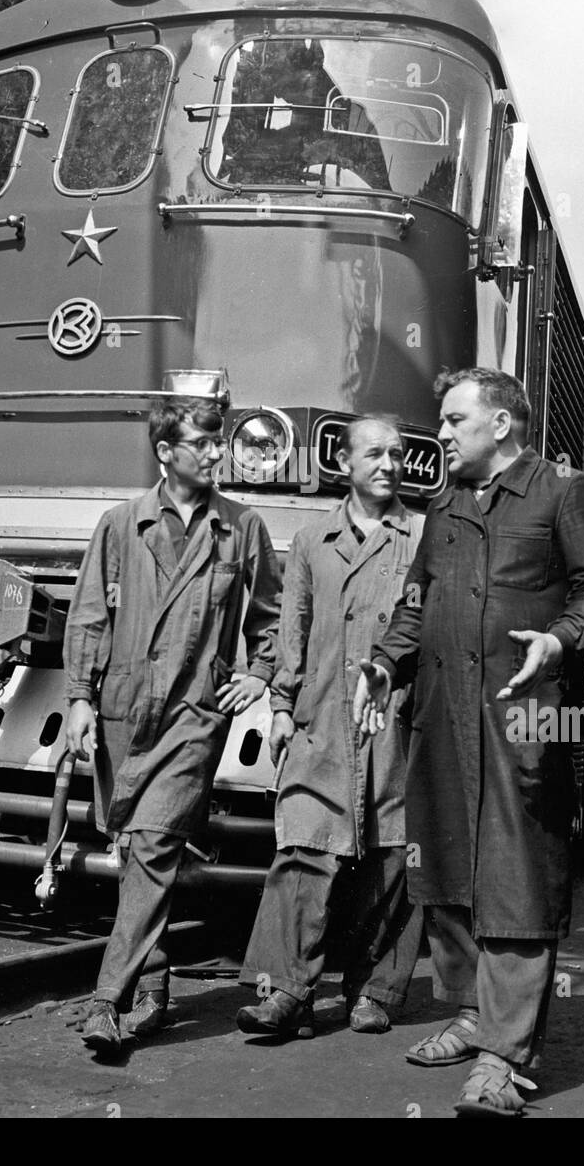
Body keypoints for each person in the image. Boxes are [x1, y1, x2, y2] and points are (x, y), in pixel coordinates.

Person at [354, 368, 584, 1116]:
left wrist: (561, 643)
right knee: (445, 871)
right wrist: (381, 663)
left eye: (452, 420)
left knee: (516, 881)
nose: (439, 433)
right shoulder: (445, 508)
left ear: (500, 425)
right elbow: (416, 602)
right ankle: (469, 1014)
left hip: (523, 717)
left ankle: (504, 1058)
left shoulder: (564, 492)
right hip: (441, 717)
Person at [63, 395, 282, 1055]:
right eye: (202, 444)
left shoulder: (241, 528)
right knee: (133, 852)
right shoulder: (120, 524)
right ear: (165, 452)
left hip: (193, 712)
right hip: (123, 710)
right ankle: (153, 988)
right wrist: (77, 696)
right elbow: (91, 613)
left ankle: (106, 1003)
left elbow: (271, 613)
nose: (217, 454)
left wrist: (260, 672)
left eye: (218, 443)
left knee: (153, 847)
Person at [235, 417, 424, 1040]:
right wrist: (283, 707)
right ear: (345, 462)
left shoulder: (422, 538)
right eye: (374, 454)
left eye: (397, 454)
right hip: (320, 715)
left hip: (396, 721)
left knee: (391, 856)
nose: (389, 464)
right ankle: (284, 991)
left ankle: (375, 989)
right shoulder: (314, 538)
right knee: (304, 848)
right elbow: (293, 627)